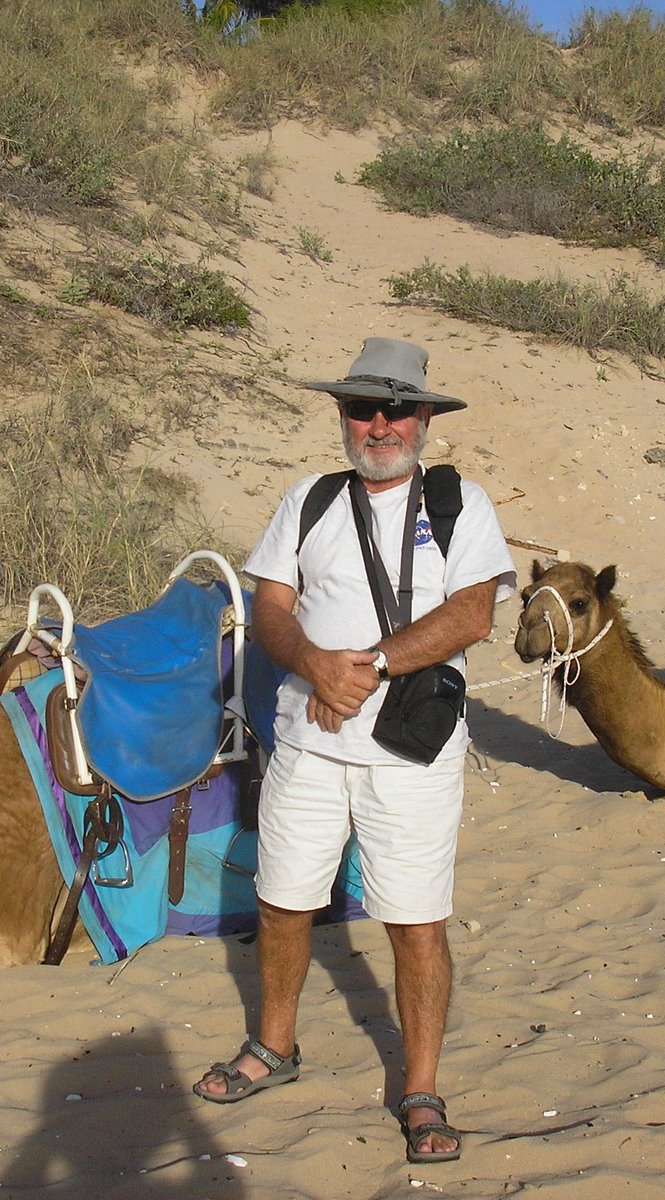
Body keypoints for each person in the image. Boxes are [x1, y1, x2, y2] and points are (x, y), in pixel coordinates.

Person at [193, 337, 516, 1165]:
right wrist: (311, 666)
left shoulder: (461, 506)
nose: (378, 425)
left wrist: (366, 666)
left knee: (414, 923)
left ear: (423, 419)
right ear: (341, 414)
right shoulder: (308, 500)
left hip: (412, 753)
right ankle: (274, 1046)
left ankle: (420, 1088)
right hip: (307, 743)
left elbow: (473, 615)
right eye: (361, 407)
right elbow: (270, 607)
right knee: (282, 901)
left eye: (395, 409)